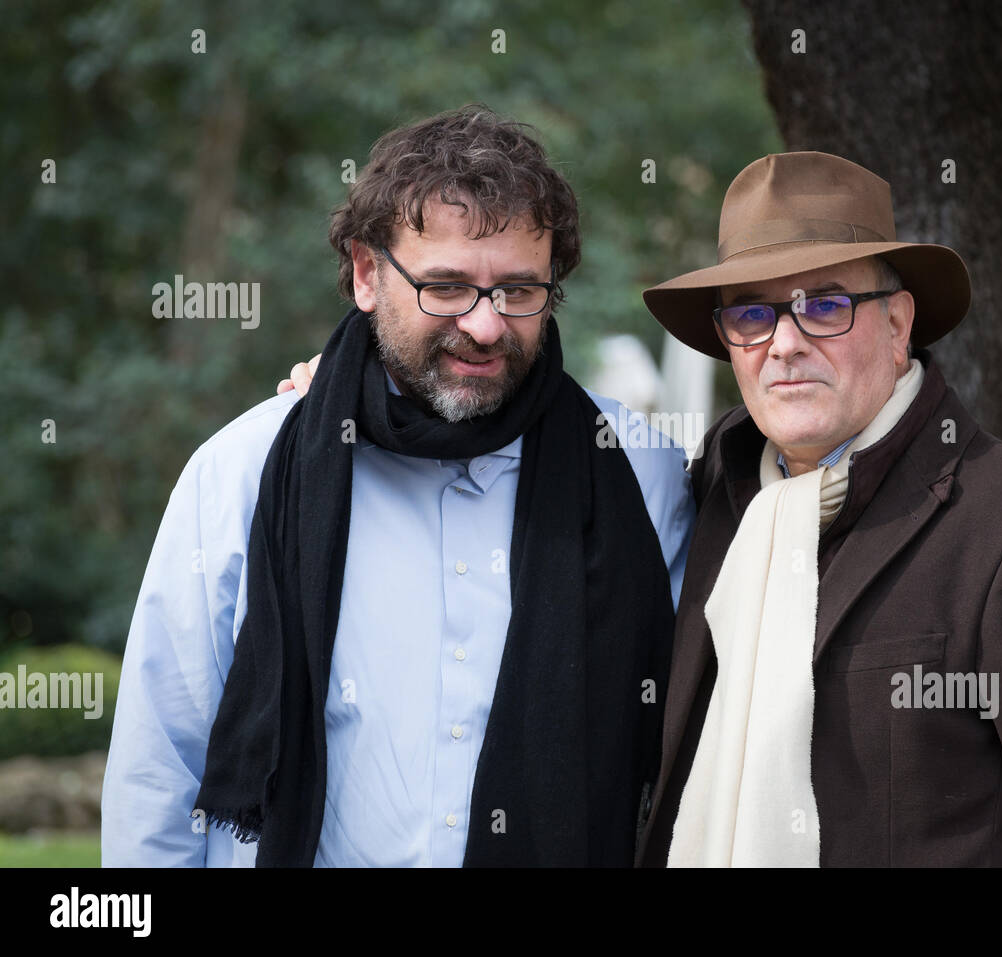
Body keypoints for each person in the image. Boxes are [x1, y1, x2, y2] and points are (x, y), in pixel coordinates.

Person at [101, 105, 694, 867]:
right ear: (366, 274)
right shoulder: (245, 473)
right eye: (446, 287)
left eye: (519, 291)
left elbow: (690, 742)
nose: (485, 326)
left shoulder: (640, 473)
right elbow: (162, 763)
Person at [634, 150, 1002, 866]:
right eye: (753, 314)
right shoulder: (712, 500)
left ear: (898, 325)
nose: (785, 344)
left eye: (824, 305)